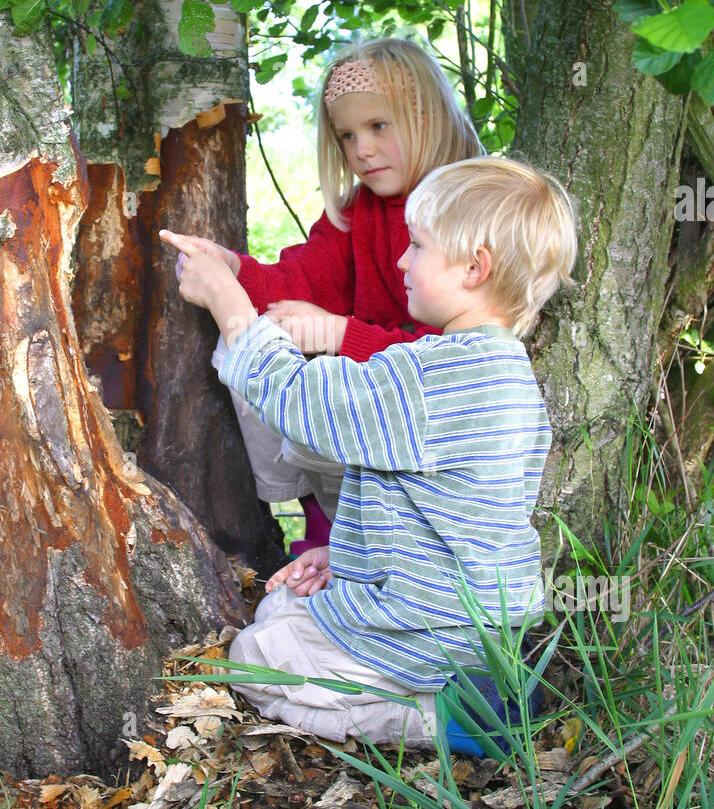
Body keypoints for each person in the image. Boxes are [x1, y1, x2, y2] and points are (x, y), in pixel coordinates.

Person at [160, 155, 577, 753]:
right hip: (473, 626)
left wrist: (230, 303)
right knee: (279, 609)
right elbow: (454, 519)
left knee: (255, 657)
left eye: (418, 246)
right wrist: (348, 551)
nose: (401, 261)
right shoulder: (508, 378)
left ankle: (451, 720)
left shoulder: (435, 374)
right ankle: (481, 686)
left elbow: (305, 401)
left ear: (473, 267)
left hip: (422, 633)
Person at [164, 38, 482, 552]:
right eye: (347, 136)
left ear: (430, 116)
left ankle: (352, 534)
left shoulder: (468, 211)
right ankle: (320, 518)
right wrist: (233, 267)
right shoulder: (362, 211)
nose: (362, 150)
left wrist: (339, 333)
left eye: (379, 126)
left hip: (426, 425)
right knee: (247, 342)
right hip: (369, 392)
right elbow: (304, 278)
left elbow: (444, 361)